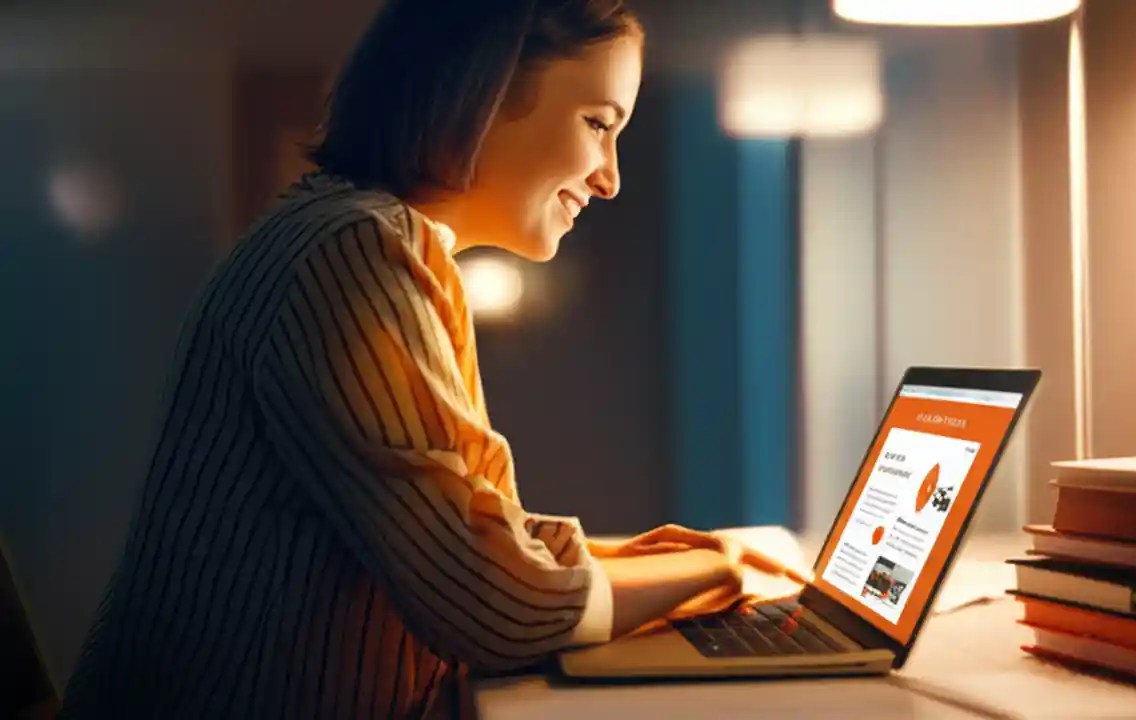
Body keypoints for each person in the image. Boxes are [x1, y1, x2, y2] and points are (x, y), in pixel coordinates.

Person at [58, 2, 799, 718]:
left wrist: (651, 560)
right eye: (598, 124)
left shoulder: (351, 234)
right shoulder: (355, 254)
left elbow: (461, 538)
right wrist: (722, 573)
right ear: (483, 92)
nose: (610, 177)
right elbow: (492, 605)